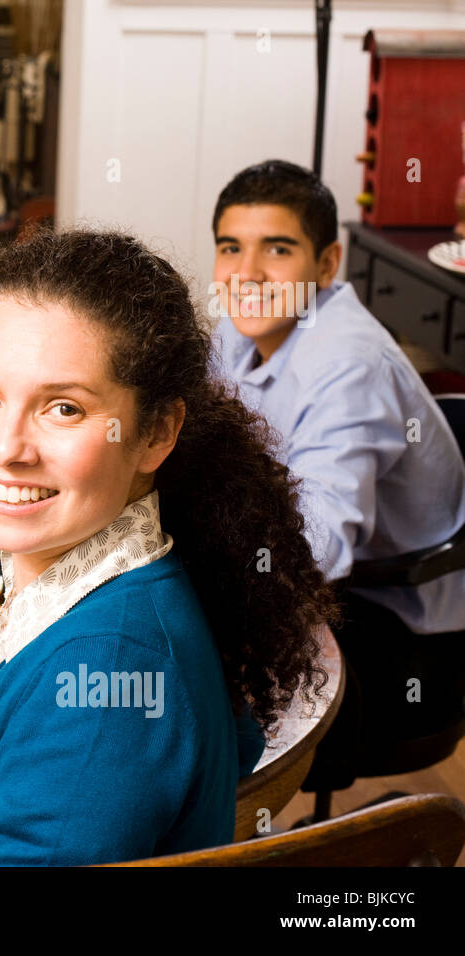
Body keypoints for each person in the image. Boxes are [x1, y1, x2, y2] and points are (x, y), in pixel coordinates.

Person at [0, 229, 334, 866]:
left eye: (63, 408)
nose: (6, 447)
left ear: (157, 433)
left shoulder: (103, 684)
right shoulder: (106, 584)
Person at [209, 159, 465, 787]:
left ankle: (231, 819)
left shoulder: (348, 366)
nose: (247, 273)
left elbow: (315, 551)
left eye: (277, 249)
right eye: (230, 247)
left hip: (393, 618)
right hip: (318, 581)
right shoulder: (245, 324)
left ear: (326, 265)